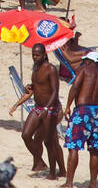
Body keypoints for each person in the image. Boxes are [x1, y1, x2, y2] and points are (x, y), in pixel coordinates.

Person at [10, 41, 64, 179]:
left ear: (44, 55)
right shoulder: (35, 68)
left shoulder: (51, 69)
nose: (35, 57)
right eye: (33, 55)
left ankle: (55, 172)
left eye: (38, 55)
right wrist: (17, 104)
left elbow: (55, 92)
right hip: (38, 107)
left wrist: (47, 108)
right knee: (26, 135)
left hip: (52, 108)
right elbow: (34, 89)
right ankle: (39, 161)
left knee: (50, 142)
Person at [61, 51, 98, 188]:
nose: (84, 63)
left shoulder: (84, 70)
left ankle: (69, 183)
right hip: (97, 114)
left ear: (91, 62)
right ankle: (92, 185)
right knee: (94, 150)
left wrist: (67, 106)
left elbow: (75, 87)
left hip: (82, 111)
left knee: (73, 147)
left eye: (86, 61)